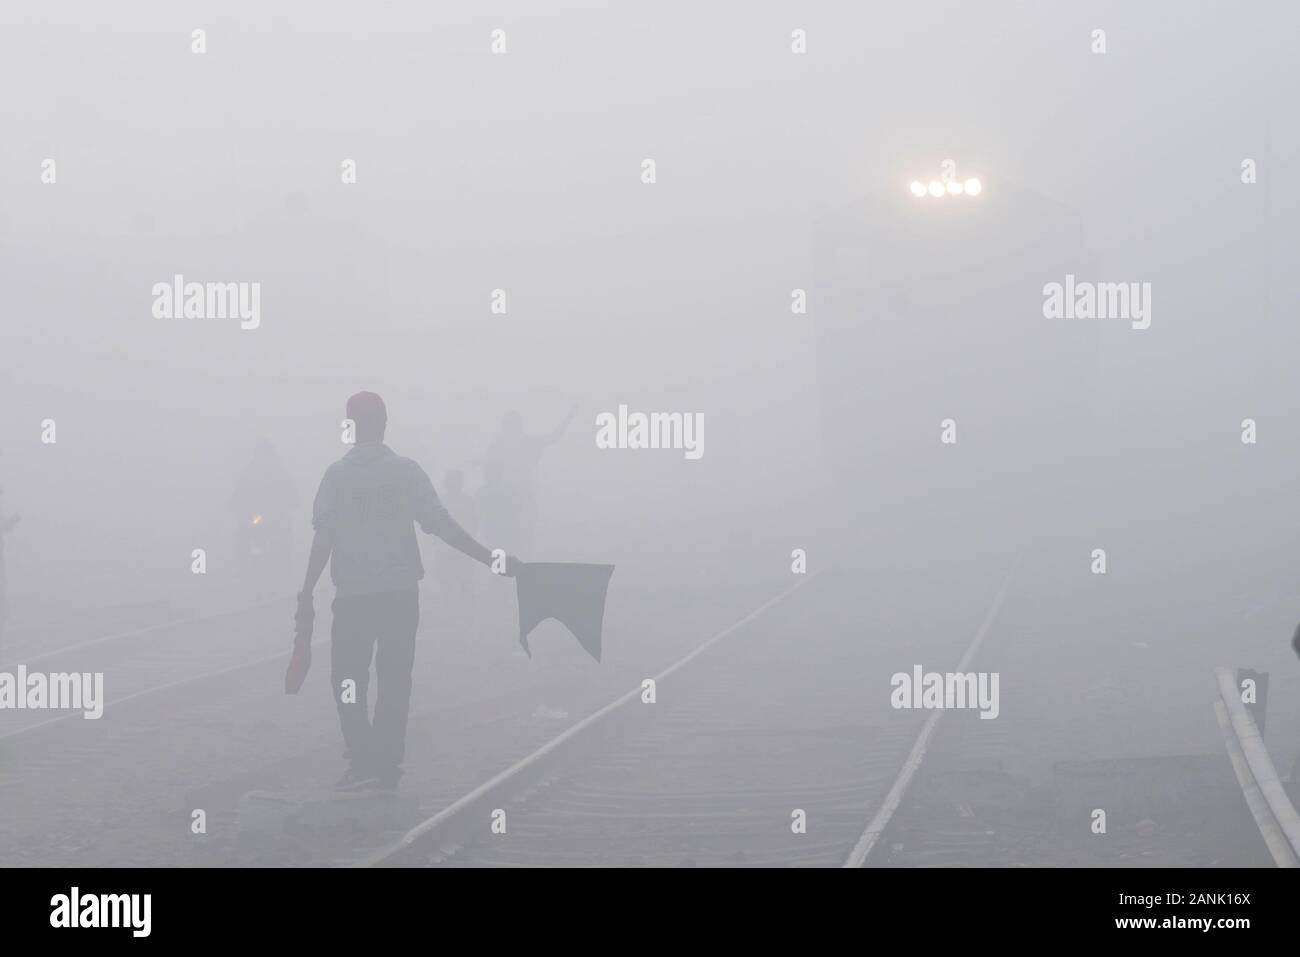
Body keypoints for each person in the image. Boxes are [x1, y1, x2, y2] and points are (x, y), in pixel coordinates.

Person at [287, 392, 517, 792]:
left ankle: (362, 759)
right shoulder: (406, 472)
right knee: (395, 677)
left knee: (348, 678)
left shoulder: (335, 477)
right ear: (385, 424)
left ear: (349, 426)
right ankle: (387, 762)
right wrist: (489, 558)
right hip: (399, 596)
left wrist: (306, 590)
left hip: (354, 597)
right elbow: (441, 525)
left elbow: (323, 538)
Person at [477, 405, 576, 554]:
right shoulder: (499, 445)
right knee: (505, 539)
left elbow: (553, 437)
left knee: (521, 538)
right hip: (503, 502)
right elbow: (487, 466)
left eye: (512, 425)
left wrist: (568, 419)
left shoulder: (523, 443)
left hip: (523, 499)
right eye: (509, 425)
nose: (511, 429)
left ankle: (519, 562)